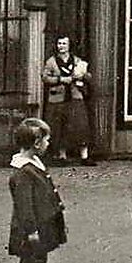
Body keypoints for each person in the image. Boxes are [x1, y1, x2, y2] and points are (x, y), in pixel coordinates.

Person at [8, 117, 66, 263]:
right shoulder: (23, 171)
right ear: (36, 143)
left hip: (44, 224)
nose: (49, 144)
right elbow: (25, 206)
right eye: (47, 140)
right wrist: (31, 231)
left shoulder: (34, 162)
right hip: (32, 228)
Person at [41, 35, 94, 166]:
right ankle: (62, 156)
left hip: (75, 96)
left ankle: (84, 156)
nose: (61, 46)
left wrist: (82, 75)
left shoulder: (77, 61)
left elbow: (88, 76)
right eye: (59, 43)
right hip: (58, 98)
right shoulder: (51, 62)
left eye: (64, 43)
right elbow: (45, 77)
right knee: (60, 126)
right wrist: (60, 80)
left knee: (80, 126)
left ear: (69, 45)